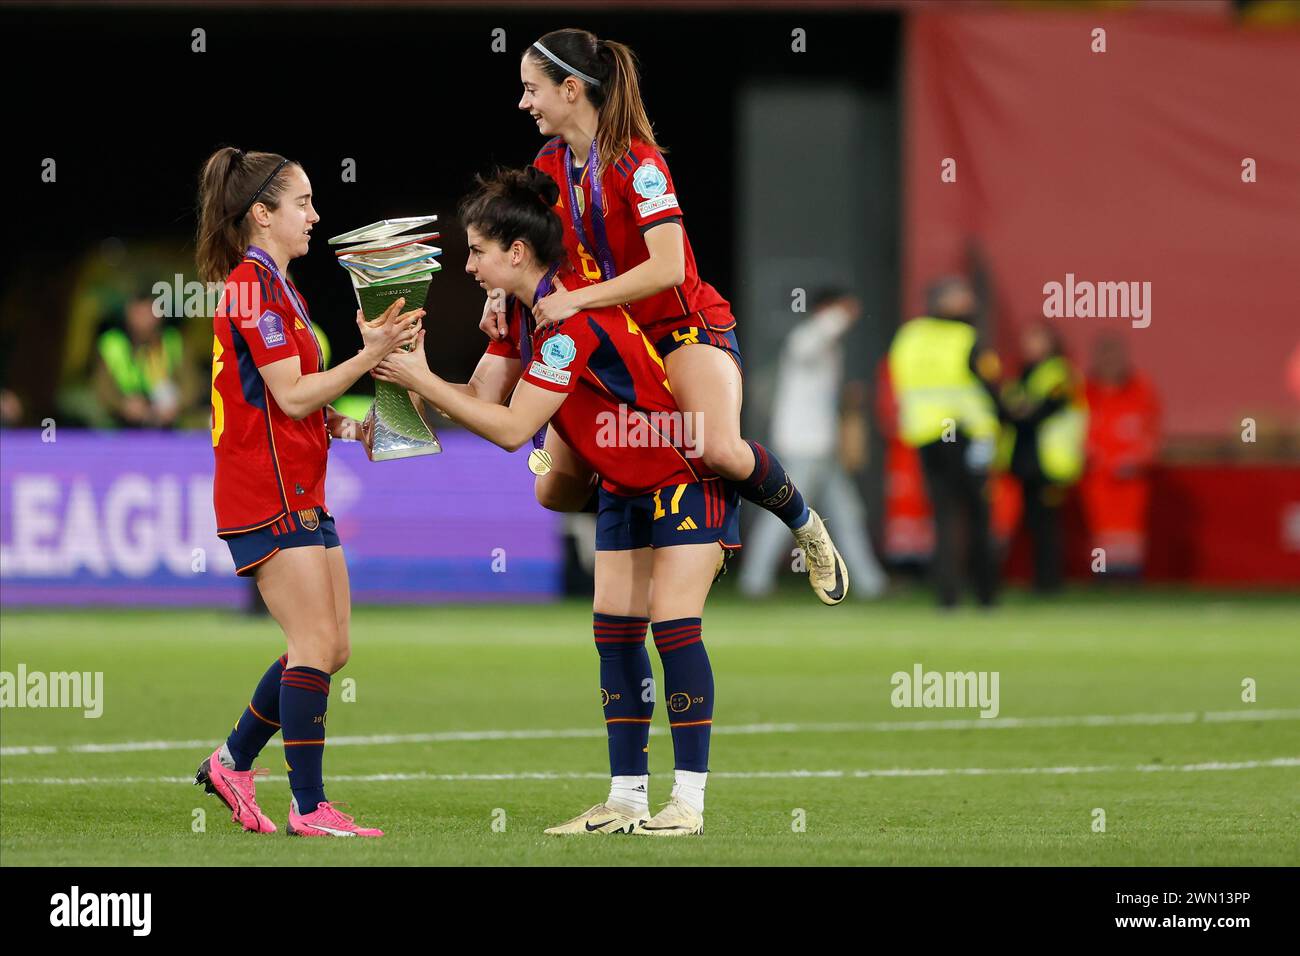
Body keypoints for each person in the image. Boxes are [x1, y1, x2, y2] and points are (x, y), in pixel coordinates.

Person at [375, 167, 737, 837]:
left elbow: (513, 431)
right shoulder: (521, 314)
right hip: (622, 482)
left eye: (477, 249)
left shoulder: (567, 317)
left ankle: (688, 803)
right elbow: (481, 404)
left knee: (673, 627)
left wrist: (421, 378)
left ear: (516, 252)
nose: (468, 263)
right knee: (614, 636)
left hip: (682, 472)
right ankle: (626, 800)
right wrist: (409, 381)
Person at [480, 27, 848, 606]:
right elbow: (519, 245)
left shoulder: (639, 163)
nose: (524, 103)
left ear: (571, 89)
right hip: (605, 341)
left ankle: (804, 523)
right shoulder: (547, 164)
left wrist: (577, 298)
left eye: (531, 89)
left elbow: (669, 268)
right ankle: (660, 499)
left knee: (719, 449)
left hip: (676, 327)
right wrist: (498, 291)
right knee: (552, 489)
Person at [192, 146, 422, 837]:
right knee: (314, 642)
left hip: (301, 487)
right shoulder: (249, 286)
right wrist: (371, 356)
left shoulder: (281, 288)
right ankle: (309, 806)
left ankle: (232, 761)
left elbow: (292, 403)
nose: (316, 216)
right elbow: (289, 395)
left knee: (329, 646)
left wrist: (355, 427)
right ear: (262, 214)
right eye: (303, 203)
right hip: (264, 492)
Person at [739, 290, 886, 598]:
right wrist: (841, 312)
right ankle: (754, 581)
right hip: (802, 445)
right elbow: (816, 337)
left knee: (847, 514)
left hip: (820, 445)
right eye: (839, 310)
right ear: (825, 310)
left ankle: (873, 584)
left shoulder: (826, 345)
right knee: (784, 513)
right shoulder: (806, 336)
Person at [887, 277, 1001, 608]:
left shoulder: (909, 336)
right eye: (962, 296)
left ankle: (947, 596)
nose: (970, 302)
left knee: (944, 516)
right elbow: (988, 385)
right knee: (979, 515)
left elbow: (900, 380)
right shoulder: (965, 337)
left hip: (925, 435)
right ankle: (986, 596)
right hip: (965, 433)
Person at [996, 322, 1087, 593]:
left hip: (1050, 462)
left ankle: (1050, 582)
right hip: (1025, 459)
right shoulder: (1022, 373)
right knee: (1032, 523)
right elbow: (1007, 411)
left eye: (1036, 339)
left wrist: (1020, 411)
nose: (1029, 346)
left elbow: (1041, 410)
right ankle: (1038, 580)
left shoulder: (1060, 373)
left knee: (1048, 525)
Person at [1080, 333, 1159, 577]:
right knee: (1101, 536)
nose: (1110, 361)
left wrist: (1136, 459)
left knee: (1129, 539)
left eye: (1115, 355)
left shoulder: (1141, 390)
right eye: (1105, 354)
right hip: (1097, 479)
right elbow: (1075, 430)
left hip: (1131, 480)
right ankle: (1101, 582)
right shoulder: (1084, 393)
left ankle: (1130, 585)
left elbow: (1151, 433)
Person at [92, 290, 197, 428]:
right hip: (121, 426)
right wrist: (123, 405)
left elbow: (191, 384)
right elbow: (102, 387)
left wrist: (176, 405)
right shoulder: (112, 344)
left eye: (148, 313)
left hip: (168, 427)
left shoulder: (173, 341)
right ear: (127, 314)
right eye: (137, 313)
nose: (142, 320)